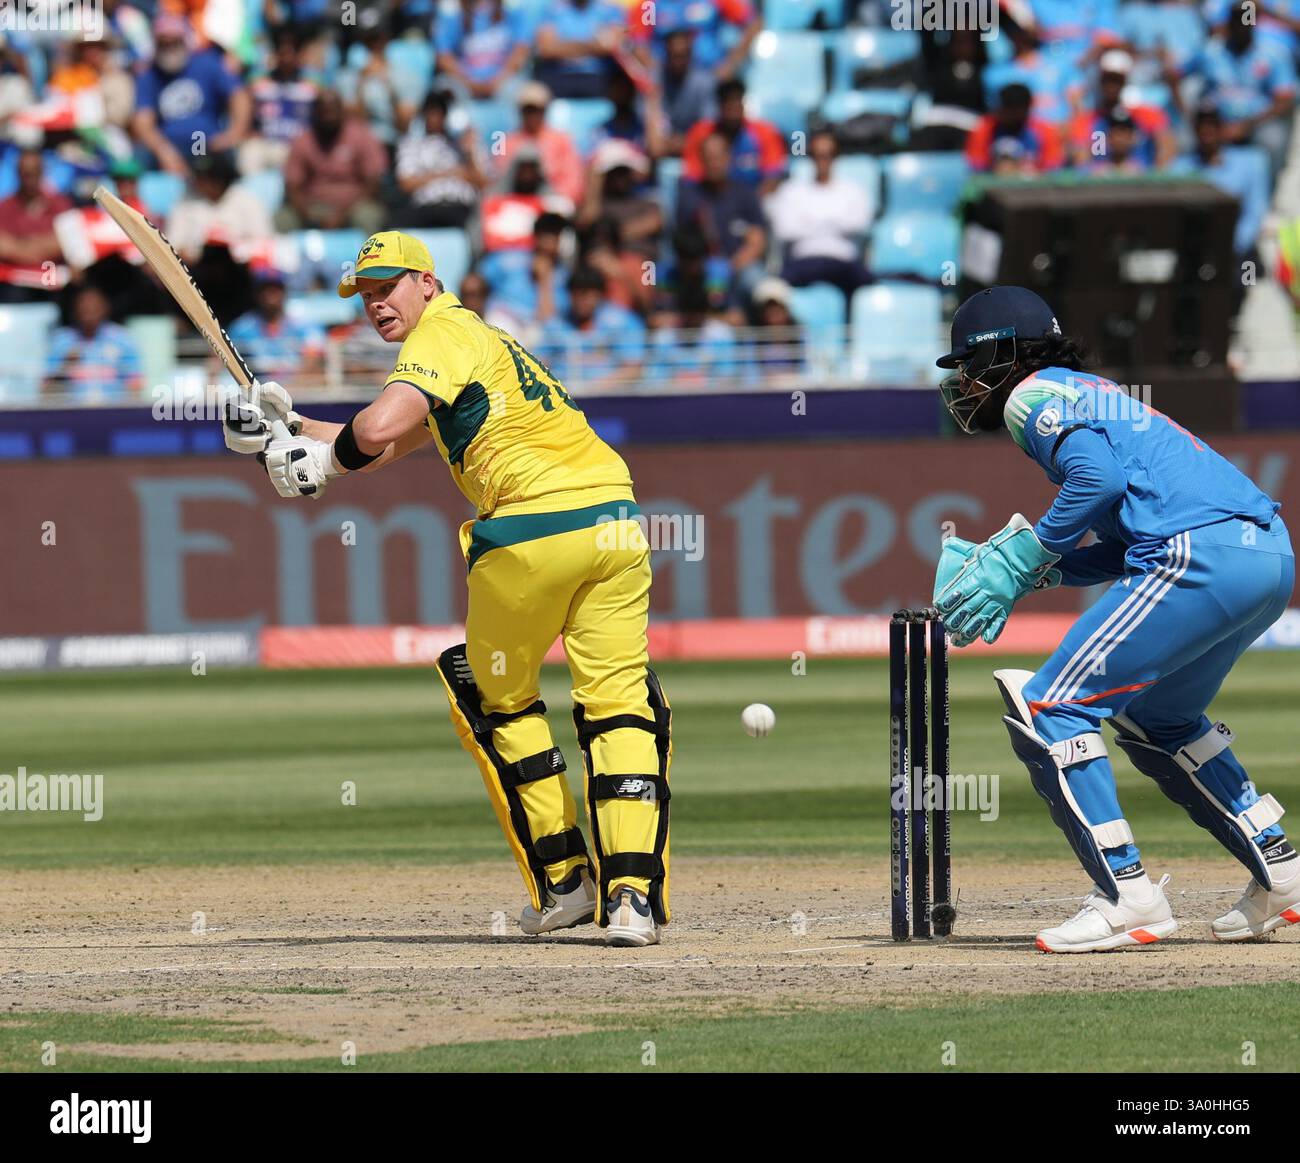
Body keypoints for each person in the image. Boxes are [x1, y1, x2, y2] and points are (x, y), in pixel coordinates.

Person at [220, 231, 672, 947]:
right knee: (618, 703)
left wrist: (321, 467)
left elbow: (376, 426)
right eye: (366, 295)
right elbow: (383, 443)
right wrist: (292, 427)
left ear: (427, 283)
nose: (376, 304)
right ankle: (632, 900)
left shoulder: (443, 332)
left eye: (388, 287)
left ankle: (566, 882)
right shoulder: (481, 343)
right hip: (616, 523)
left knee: (496, 696)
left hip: (530, 533)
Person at [932, 285, 1297, 952]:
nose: (964, 382)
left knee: (1052, 705)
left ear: (1003, 355)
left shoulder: (1030, 395)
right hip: (1265, 555)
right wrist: (1041, 571)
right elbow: (1125, 544)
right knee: (1161, 719)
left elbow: (1095, 482)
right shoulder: (1092, 392)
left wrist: (1025, 554)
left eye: (968, 365)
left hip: (1199, 555)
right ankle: (1284, 871)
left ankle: (1127, 896)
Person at [131, 13, 251, 176]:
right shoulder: (149, 74)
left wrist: (233, 134)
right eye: (164, 44)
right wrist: (163, 150)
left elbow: (239, 96)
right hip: (168, 145)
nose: (170, 48)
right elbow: (143, 121)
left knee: (211, 161)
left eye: (175, 42)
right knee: (137, 160)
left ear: (185, 41)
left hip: (204, 142)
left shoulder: (206, 63)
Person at [767, 129, 874, 304]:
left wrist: (809, 222)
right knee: (775, 291)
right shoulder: (791, 192)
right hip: (804, 261)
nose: (822, 160)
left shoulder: (853, 191)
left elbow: (860, 224)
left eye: (828, 155)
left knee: (868, 286)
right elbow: (784, 230)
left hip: (842, 260)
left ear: (836, 157)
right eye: (817, 155)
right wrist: (834, 222)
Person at [676, 131, 768, 302]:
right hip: (700, 271)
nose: (714, 163)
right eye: (709, 158)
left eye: (718, 157)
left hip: (739, 267)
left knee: (756, 281)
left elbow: (757, 242)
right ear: (701, 160)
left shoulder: (745, 194)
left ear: (728, 157)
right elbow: (683, 243)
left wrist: (729, 268)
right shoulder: (690, 196)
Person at [280, 91, 388, 232]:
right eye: (324, 112)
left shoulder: (361, 136)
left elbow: (373, 182)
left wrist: (343, 215)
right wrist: (306, 213)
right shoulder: (303, 141)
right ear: (315, 113)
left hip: (354, 206)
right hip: (313, 207)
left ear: (342, 111)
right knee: (282, 219)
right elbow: (292, 185)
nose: (329, 117)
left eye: (333, 111)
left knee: (368, 216)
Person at [1067, 50, 1175, 170]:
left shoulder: (1148, 115)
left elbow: (1166, 148)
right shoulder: (1089, 121)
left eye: (1117, 81)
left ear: (1125, 81)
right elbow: (1082, 159)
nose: (1111, 86)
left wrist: (1149, 172)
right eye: (1107, 80)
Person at [394, 89, 486, 229]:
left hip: (461, 207)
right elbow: (406, 184)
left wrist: (469, 154)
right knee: (395, 228)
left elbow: (483, 183)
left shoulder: (468, 144)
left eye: (440, 112)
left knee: (481, 226)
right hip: (426, 208)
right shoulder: (411, 144)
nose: (435, 117)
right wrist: (451, 173)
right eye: (431, 112)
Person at [681, 78, 786, 194]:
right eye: (727, 102)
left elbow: (772, 177)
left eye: (736, 101)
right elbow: (692, 178)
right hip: (711, 199)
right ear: (719, 105)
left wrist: (749, 202)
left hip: (754, 198)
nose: (732, 109)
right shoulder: (701, 133)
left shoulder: (765, 132)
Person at [43, 283, 144, 401]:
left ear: (105, 308)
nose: (89, 312)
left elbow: (136, 387)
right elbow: (45, 393)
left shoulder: (122, 339)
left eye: (94, 307)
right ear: (75, 309)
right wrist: (64, 367)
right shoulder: (61, 341)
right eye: (84, 308)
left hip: (113, 409)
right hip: (72, 410)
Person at [228, 266, 325, 381]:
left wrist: (292, 386)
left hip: (297, 387)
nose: (270, 294)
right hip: (257, 387)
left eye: (276, 289)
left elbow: (313, 359)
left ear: (284, 292)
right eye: (265, 289)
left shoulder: (302, 324)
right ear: (256, 293)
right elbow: (221, 358)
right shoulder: (243, 327)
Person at [965, 83, 1064, 174]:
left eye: (1017, 110)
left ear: (1027, 108)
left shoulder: (1044, 131)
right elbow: (976, 167)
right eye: (1007, 109)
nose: (1012, 115)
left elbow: (1053, 169)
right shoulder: (985, 129)